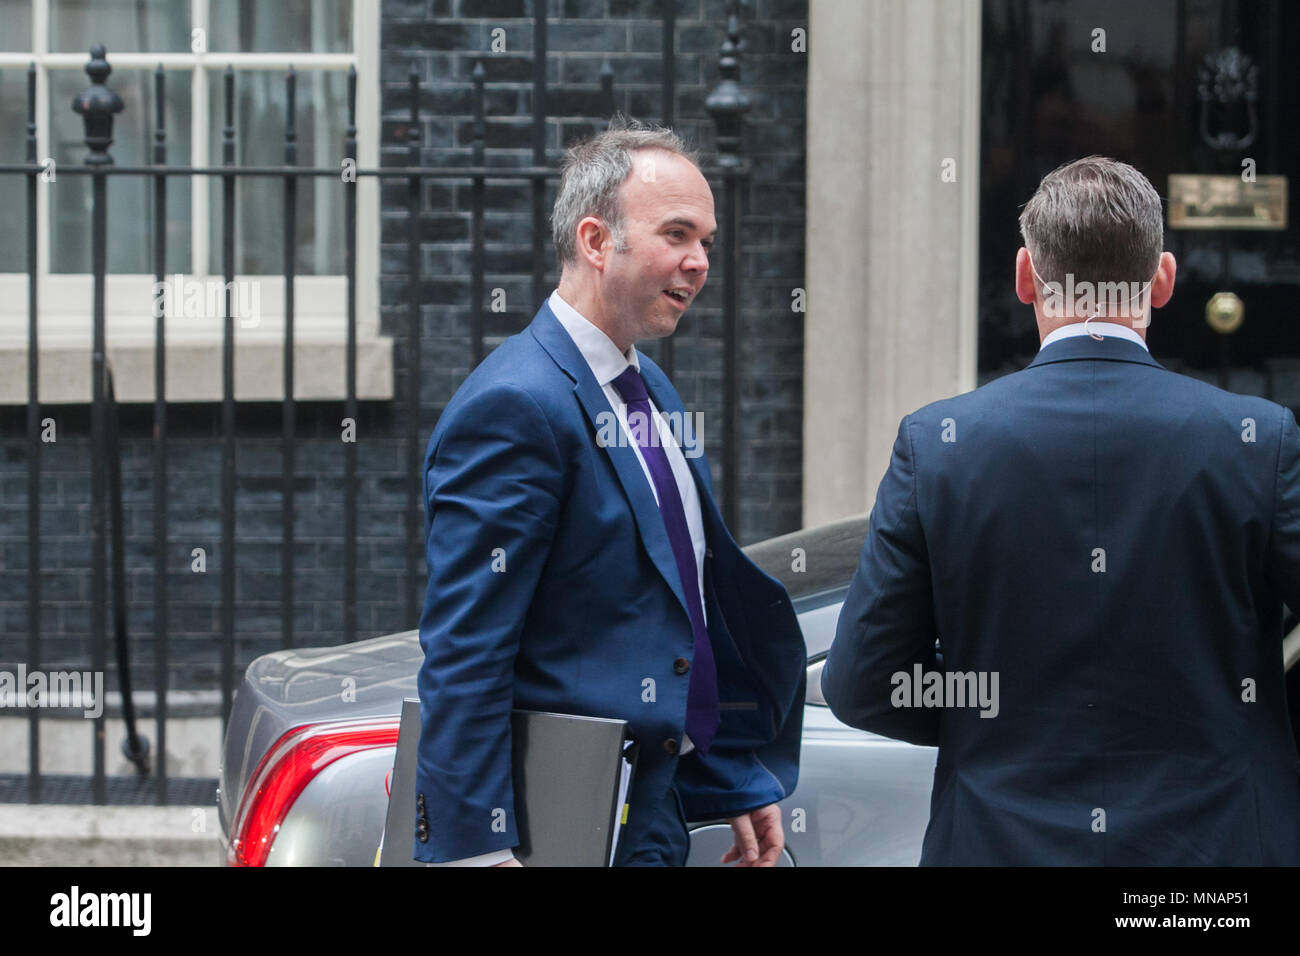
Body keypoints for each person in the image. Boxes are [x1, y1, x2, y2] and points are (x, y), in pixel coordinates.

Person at [822, 155, 1300, 865]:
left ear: (1025, 276)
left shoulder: (939, 445)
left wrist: (993, 718)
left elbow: (864, 684)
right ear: (1162, 279)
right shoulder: (1258, 440)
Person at [412, 118, 806, 867]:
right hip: (557, 834)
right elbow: (467, 649)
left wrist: (732, 778)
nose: (699, 263)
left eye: (707, 243)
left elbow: (682, 605)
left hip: (652, 811)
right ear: (596, 242)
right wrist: (475, 853)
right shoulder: (516, 406)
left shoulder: (646, 385)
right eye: (678, 235)